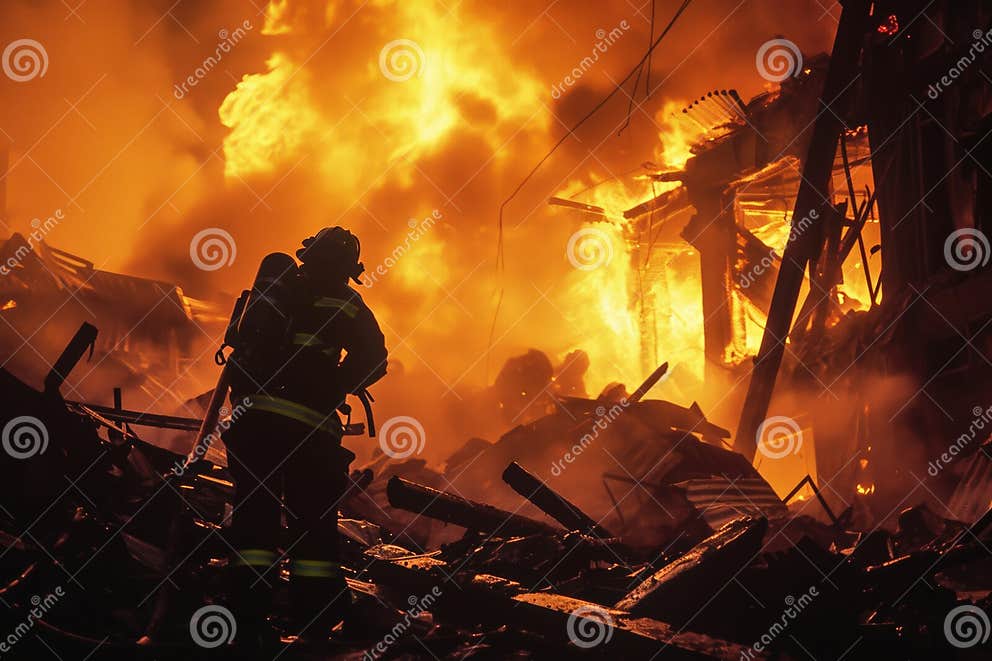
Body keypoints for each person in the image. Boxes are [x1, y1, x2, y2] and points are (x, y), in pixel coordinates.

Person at [222, 226, 387, 642]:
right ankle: (311, 622)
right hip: (311, 431)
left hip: (254, 422)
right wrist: (336, 382)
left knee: (253, 520)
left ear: (307, 255)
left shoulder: (274, 294)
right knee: (312, 525)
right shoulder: (348, 302)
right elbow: (375, 360)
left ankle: (246, 619)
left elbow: (238, 345)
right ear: (350, 268)